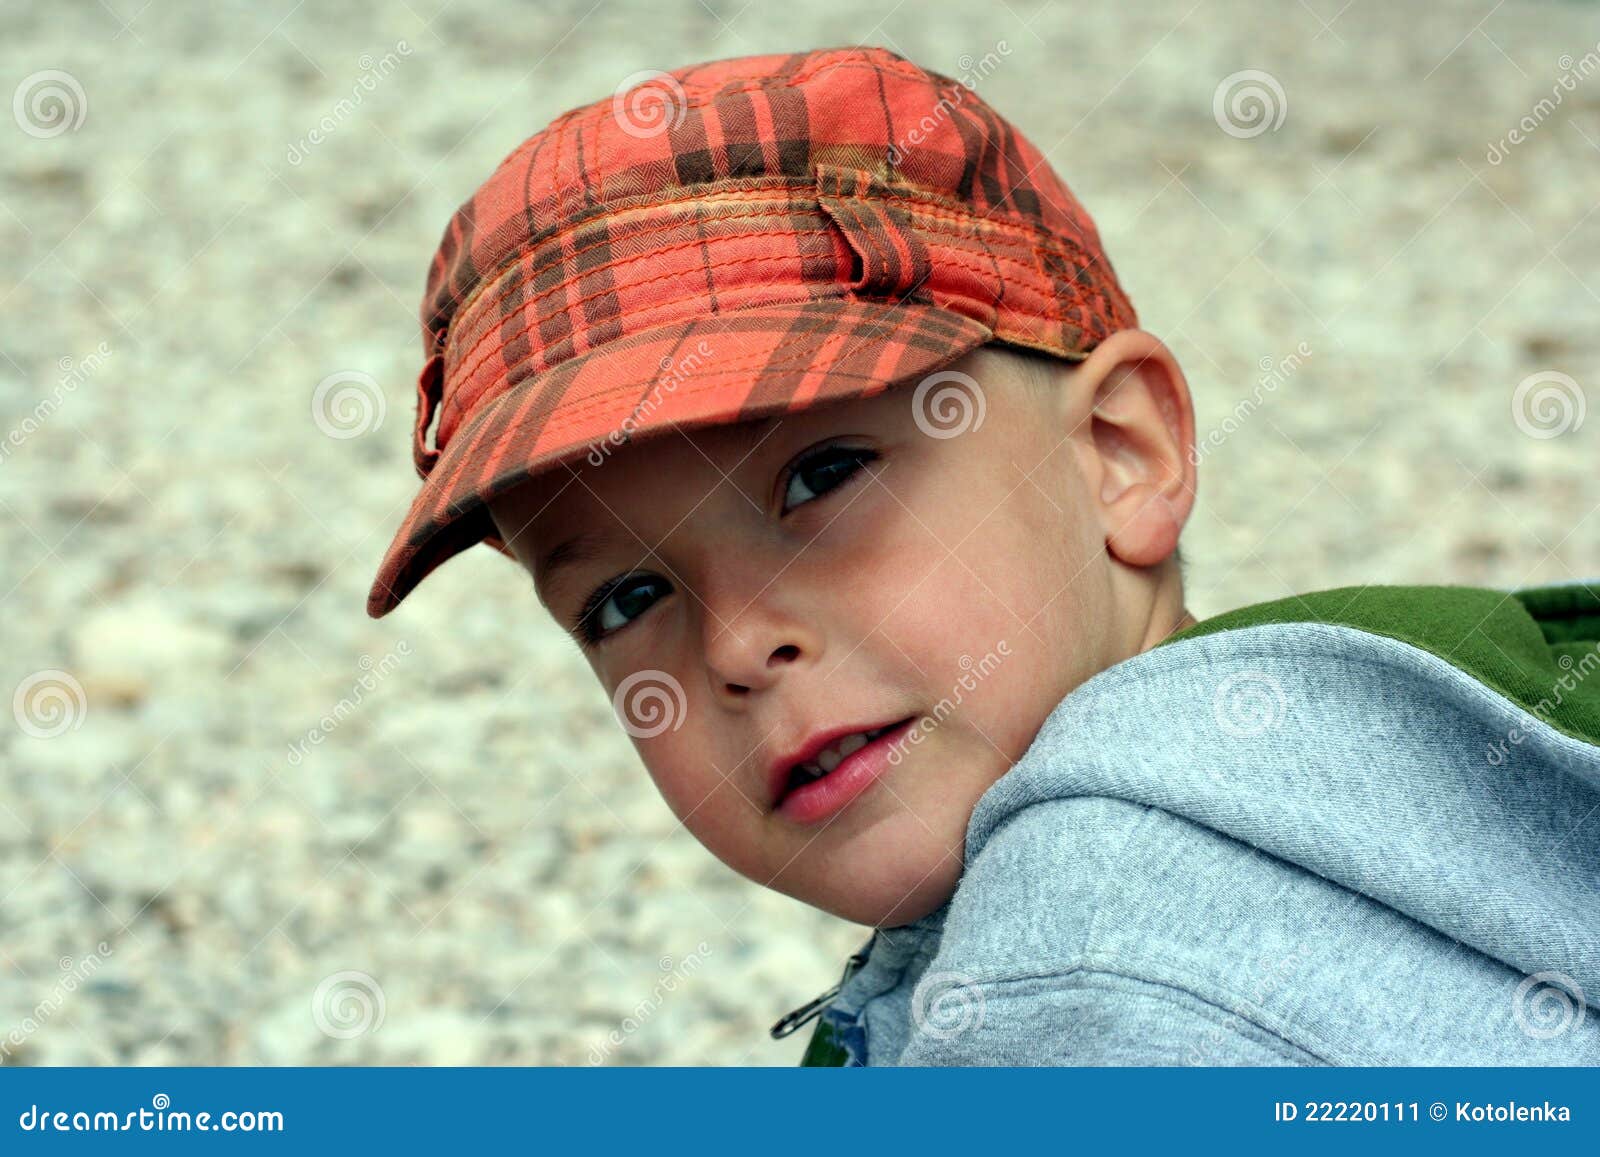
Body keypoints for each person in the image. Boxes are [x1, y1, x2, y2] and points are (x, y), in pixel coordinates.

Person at [366, 45, 1600, 1065]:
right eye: (627, 595)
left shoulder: (1077, 972)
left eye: (820, 475)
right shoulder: (1424, 721)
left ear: (1120, 452)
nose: (738, 643)